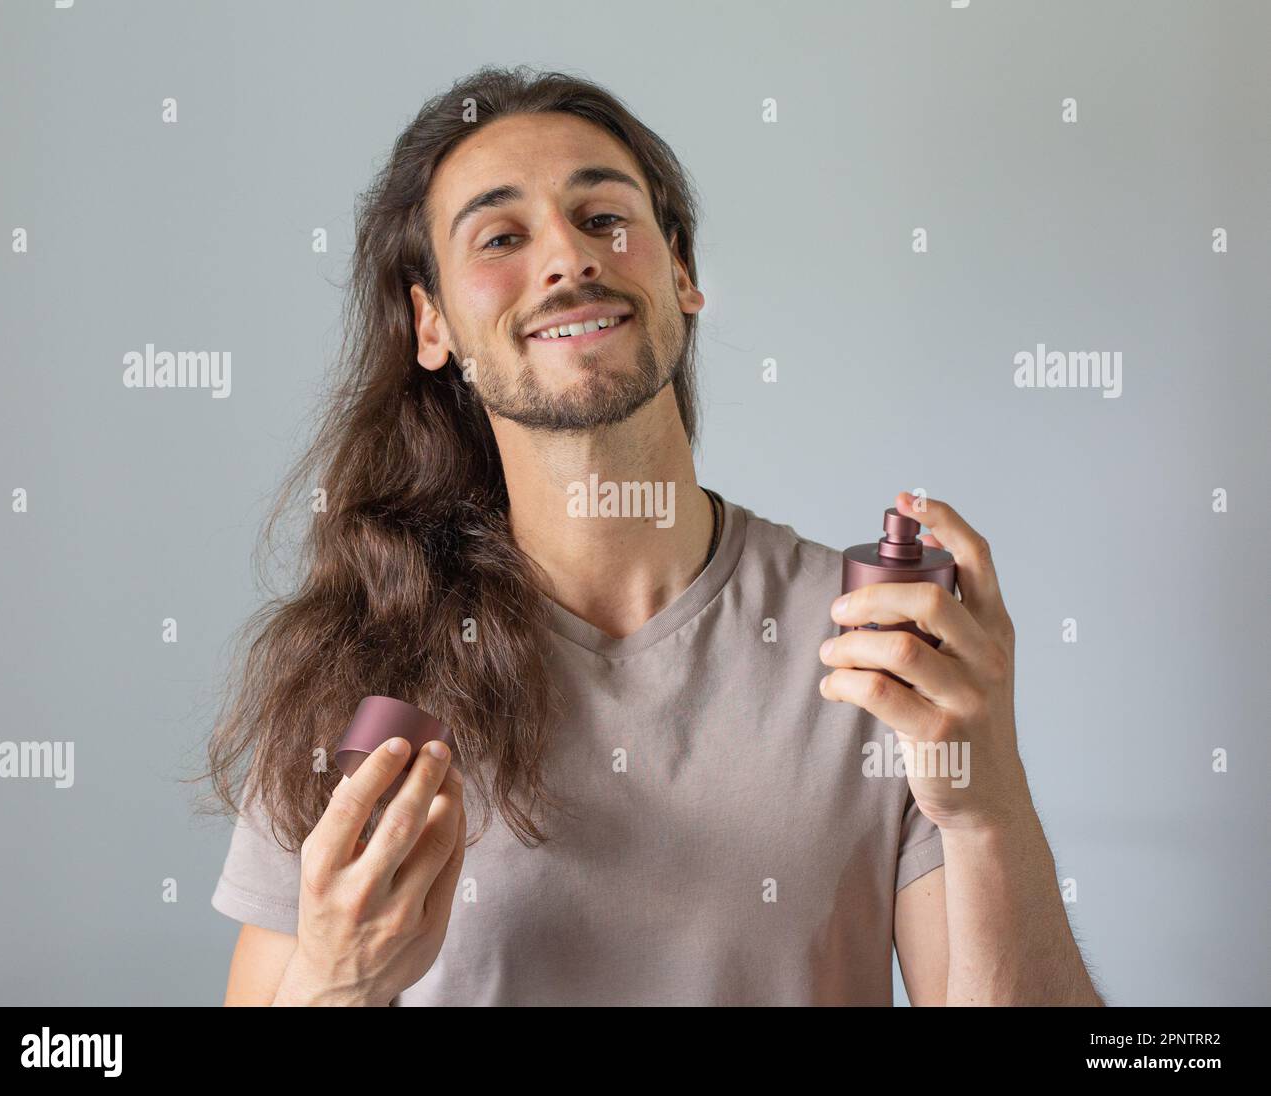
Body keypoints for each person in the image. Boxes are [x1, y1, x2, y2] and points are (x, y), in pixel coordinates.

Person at [202, 65, 1102, 1007]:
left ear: (680, 273)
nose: (567, 258)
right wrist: (338, 982)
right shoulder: (361, 669)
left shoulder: (875, 643)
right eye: (502, 235)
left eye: (602, 218)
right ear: (432, 324)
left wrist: (989, 805)